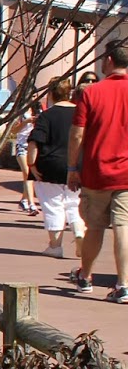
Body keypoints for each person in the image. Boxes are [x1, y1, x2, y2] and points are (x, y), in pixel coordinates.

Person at [68, 40, 128, 302]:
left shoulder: (91, 93)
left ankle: (85, 277)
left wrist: (72, 167)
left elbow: (77, 134)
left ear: (110, 61)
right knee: (124, 227)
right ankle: (124, 284)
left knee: (94, 227)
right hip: (126, 174)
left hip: (97, 172)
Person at [27, 77, 84, 259]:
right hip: (77, 165)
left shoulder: (46, 115)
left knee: (53, 206)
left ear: (50, 93)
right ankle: (79, 232)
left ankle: (55, 246)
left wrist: (31, 164)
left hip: (50, 166)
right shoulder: (81, 113)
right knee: (74, 204)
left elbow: (35, 142)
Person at [10, 100, 42, 215]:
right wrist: (26, 121)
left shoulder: (39, 110)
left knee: (30, 174)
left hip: (34, 145)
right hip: (22, 145)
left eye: (34, 95)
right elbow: (13, 130)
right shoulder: (20, 111)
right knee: (27, 172)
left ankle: (24, 200)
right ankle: (32, 204)